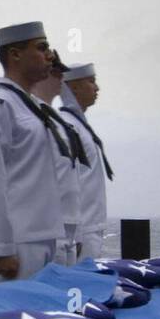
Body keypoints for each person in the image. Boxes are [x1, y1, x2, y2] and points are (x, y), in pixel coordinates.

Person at [0, 21, 68, 283]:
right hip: (19, 244)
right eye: (42, 48)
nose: (50, 56)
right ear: (15, 54)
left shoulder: (31, 107)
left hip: (46, 237)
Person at [29, 52, 85, 266]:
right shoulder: (26, 116)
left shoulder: (59, 121)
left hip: (68, 228)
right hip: (44, 230)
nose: (61, 79)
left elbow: (73, 179)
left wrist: (77, 232)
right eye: (56, 72)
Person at [58, 62, 112, 260]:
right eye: (91, 81)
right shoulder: (67, 126)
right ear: (74, 87)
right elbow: (68, 182)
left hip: (91, 225)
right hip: (82, 230)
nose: (97, 88)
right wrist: (77, 235)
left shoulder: (79, 126)